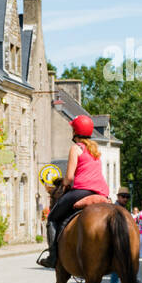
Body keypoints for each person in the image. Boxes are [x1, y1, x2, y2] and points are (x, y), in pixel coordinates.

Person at [37, 115, 111, 268]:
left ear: (75, 132)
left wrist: (64, 184)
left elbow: (70, 177)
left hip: (82, 191)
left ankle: (52, 256)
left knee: (51, 218)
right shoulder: (95, 150)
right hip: (102, 192)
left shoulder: (76, 148)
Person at [108, 186, 132, 283]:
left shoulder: (121, 208)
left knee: (119, 274)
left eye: (127, 197)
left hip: (121, 246)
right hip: (117, 246)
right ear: (118, 197)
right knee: (116, 274)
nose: (125, 199)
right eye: (123, 196)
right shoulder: (116, 209)